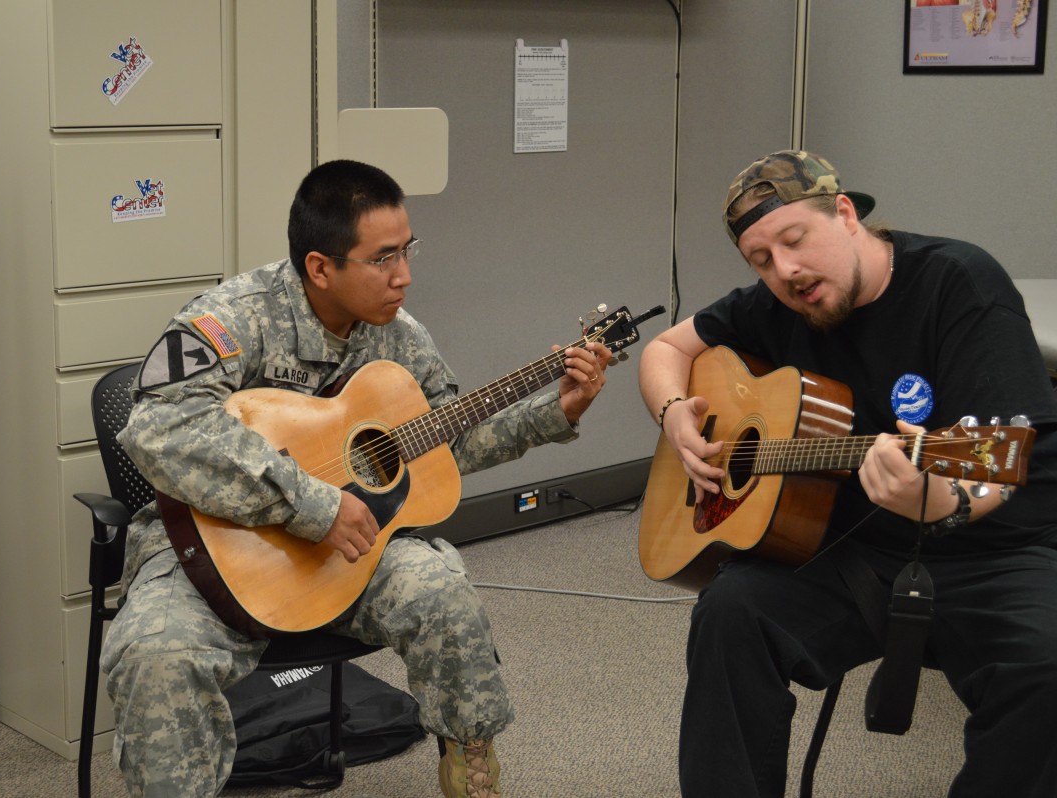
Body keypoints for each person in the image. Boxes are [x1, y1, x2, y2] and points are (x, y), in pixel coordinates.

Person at [102, 159, 612, 797]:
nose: (404, 276)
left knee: (442, 590)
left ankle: (469, 759)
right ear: (321, 266)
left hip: (356, 556)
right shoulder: (233, 317)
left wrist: (553, 413)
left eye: (407, 250)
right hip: (217, 550)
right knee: (156, 652)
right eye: (382, 258)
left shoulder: (401, 339)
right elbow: (160, 431)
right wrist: (313, 504)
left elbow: (444, 448)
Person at [638, 150, 1057, 797]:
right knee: (731, 613)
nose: (786, 271)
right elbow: (666, 348)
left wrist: (936, 495)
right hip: (853, 550)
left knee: (1046, 671)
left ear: (844, 214)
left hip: (998, 552)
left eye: (794, 240)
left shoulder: (959, 283)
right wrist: (674, 416)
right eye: (761, 260)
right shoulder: (776, 306)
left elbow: (998, 459)